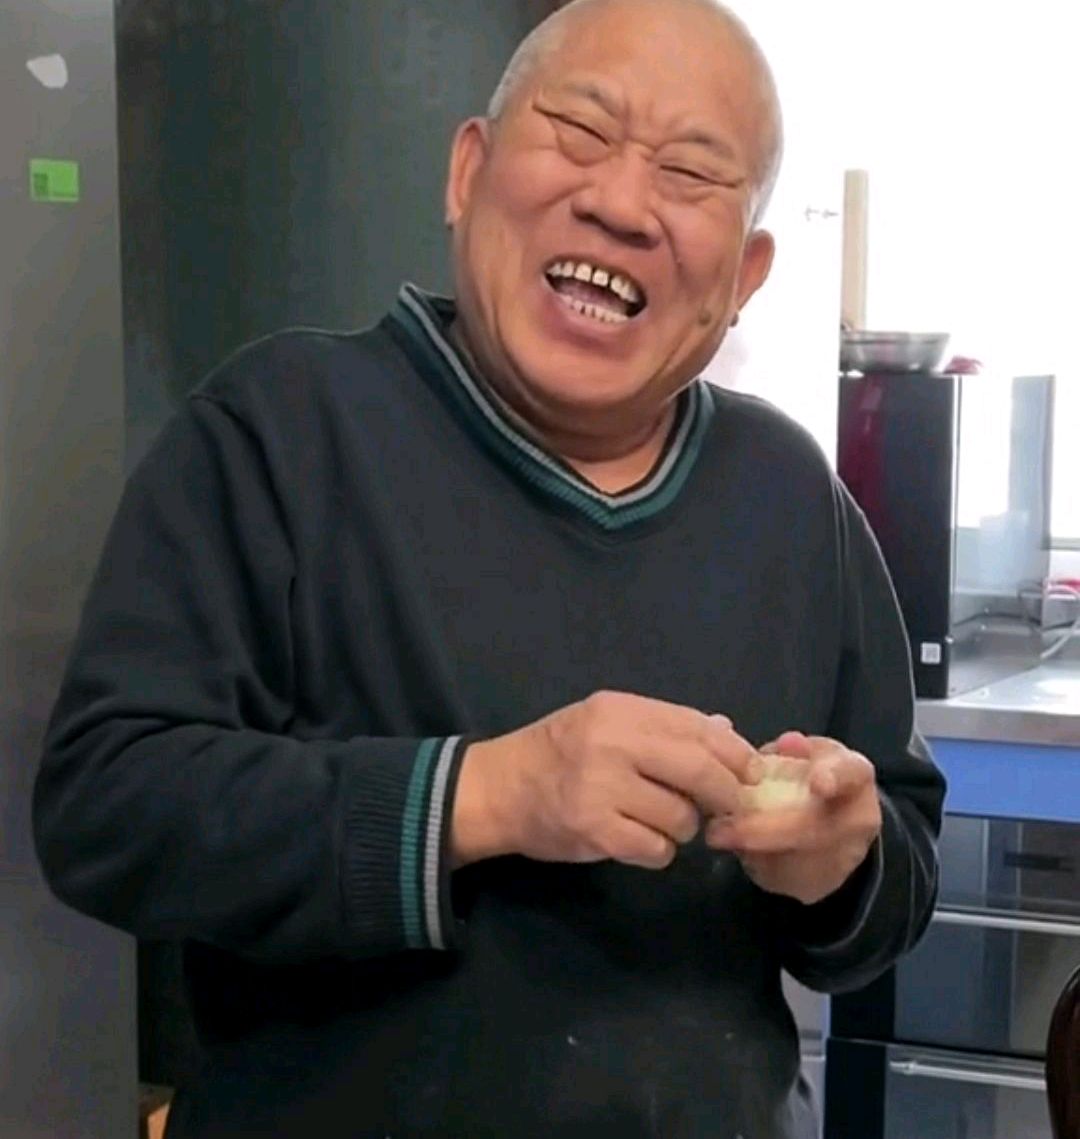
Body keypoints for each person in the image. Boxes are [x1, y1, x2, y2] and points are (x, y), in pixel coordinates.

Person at [32, 0, 946, 1136]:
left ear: (746, 274)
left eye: (690, 174)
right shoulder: (280, 434)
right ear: (468, 170)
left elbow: (899, 861)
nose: (621, 204)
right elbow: (107, 810)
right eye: (580, 130)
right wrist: (487, 794)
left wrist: (839, 862)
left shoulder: (790, 494)